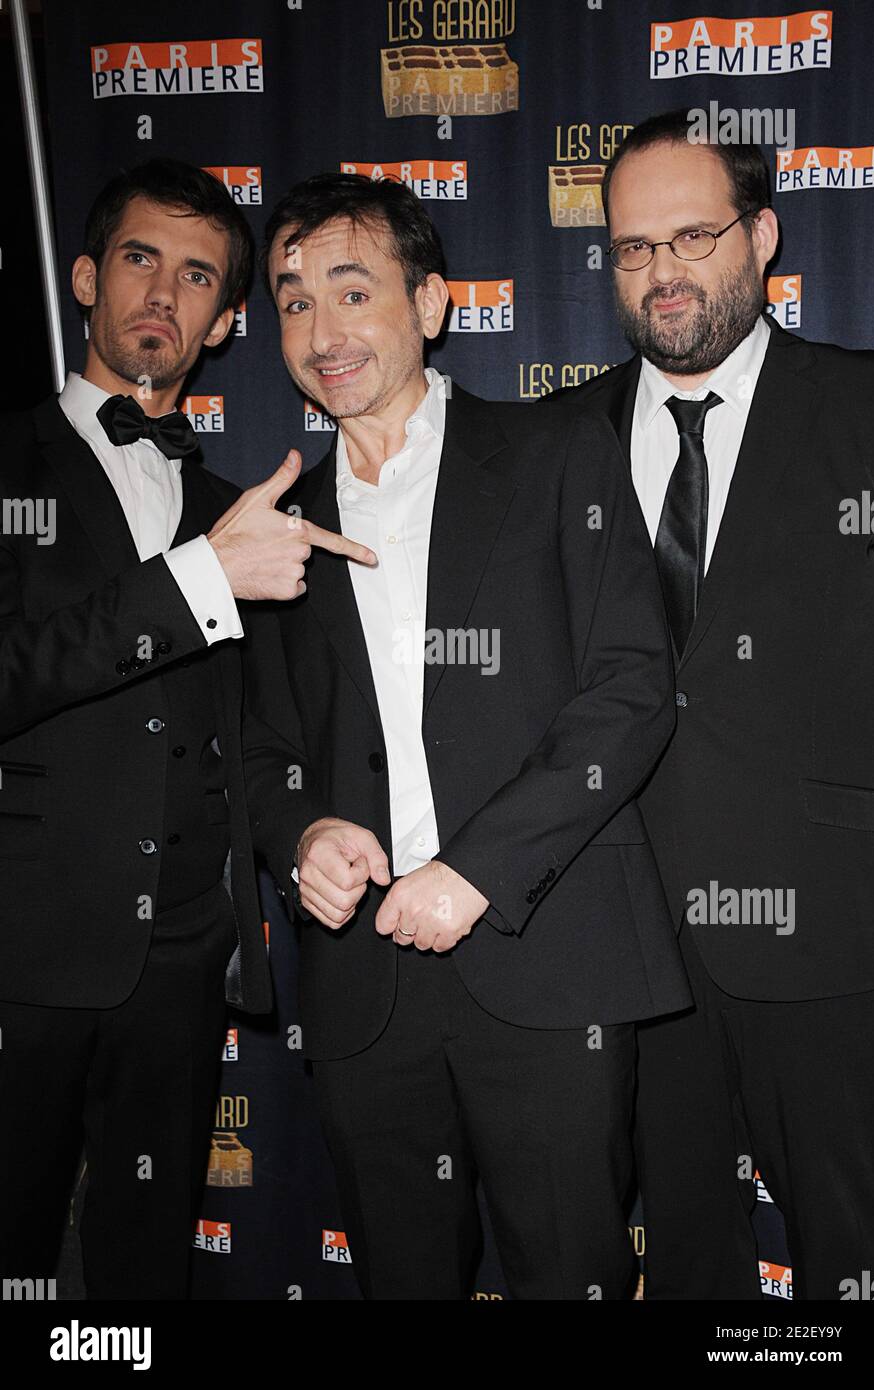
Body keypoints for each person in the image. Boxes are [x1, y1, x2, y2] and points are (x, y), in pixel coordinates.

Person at [241, 171, 691, 1300]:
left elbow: (629, 689)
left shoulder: (554, 455)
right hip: (361, 987)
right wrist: (304, 836)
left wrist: (475, 872)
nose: (320, 330)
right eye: (292, 300)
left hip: (546, 959)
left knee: (569, 1270)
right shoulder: (269, 525)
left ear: (432, 305)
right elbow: (253, 745)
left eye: (352, 291)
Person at [0, 158, 372, 1299]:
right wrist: (196, 581)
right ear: (83, 277)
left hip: (185, 961)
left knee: (142, 1267)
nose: (164, 294)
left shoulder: (234, 513)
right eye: (139, 259)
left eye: (198, 275)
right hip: (24, 954)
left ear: (222, 323)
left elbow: (251, 735)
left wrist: (304, 832)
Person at [542, 109, 874, 1300]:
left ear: (763, 237)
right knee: (686, 1264)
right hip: (620, 937)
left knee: (861, 1259)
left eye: (691, 236)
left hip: (839, 932)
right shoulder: (549, 444)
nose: (662, 272)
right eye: (634, 248)